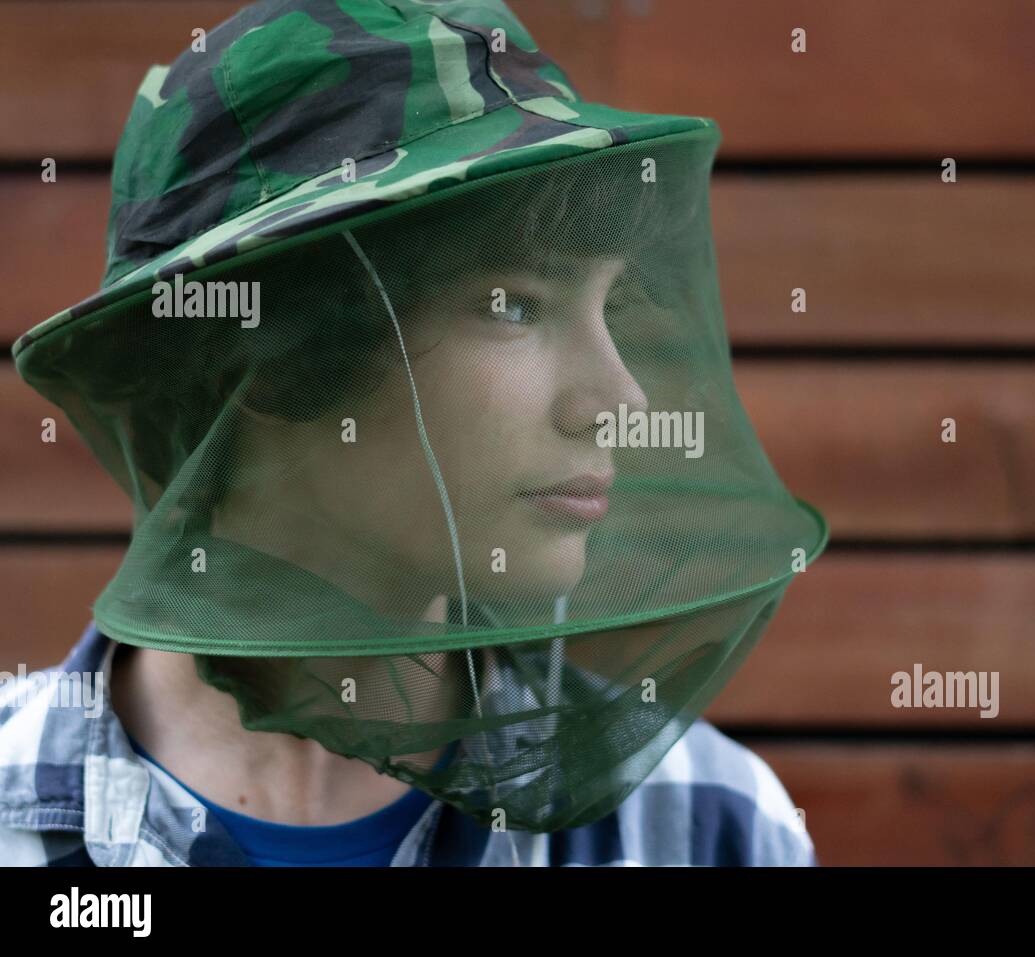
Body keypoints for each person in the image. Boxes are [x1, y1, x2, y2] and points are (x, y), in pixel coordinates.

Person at [1, 0, 826, 866]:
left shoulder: (706, 829)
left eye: (613, 305)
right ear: (265, 358)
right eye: (514, 304)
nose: (619, 399)